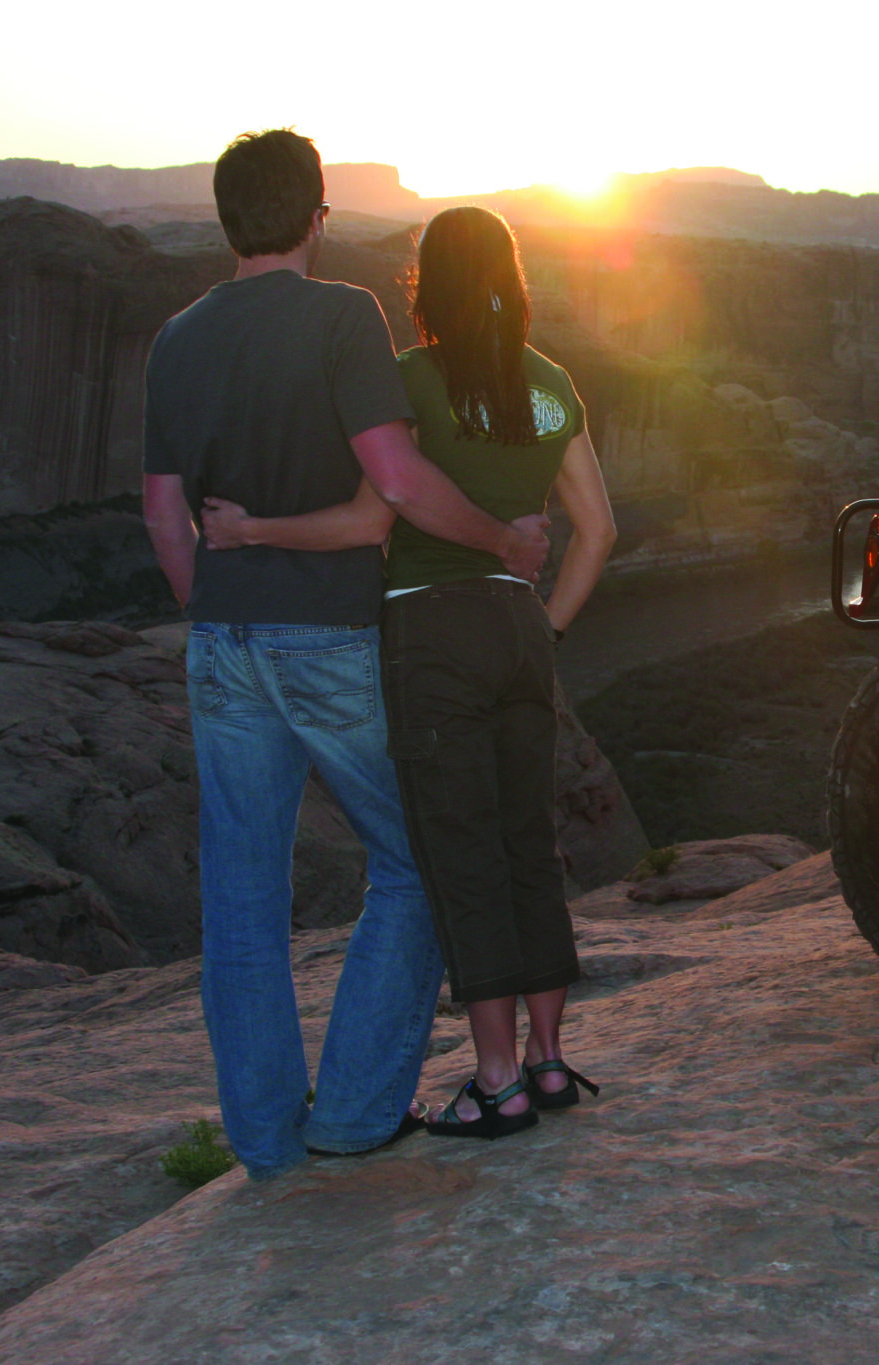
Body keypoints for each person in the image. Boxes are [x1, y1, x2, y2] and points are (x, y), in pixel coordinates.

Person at [142, 132, 552, 1179]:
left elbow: (159, 510)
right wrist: (505, 541)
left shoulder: (176, 337)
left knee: (240, 902)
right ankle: (359, 1111)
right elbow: (399, 485)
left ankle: (268, 1144)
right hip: (330, 635)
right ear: (316, 215)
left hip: (223, 641)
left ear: (228, 219)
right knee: (415, 863)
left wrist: (220, 610)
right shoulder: (341, 315)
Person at [203, 205, 618, 1140]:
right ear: (510, 280)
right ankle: (550, 1062)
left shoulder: (412, 381)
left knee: (460, 851)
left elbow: (370, 519)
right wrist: (546, 624)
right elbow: (597, 529)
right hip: (519, 632)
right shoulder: (553, 386)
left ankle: (498, 1078)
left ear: (426, 286)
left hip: (432, 634)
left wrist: (251, 530)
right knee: (527, 845)